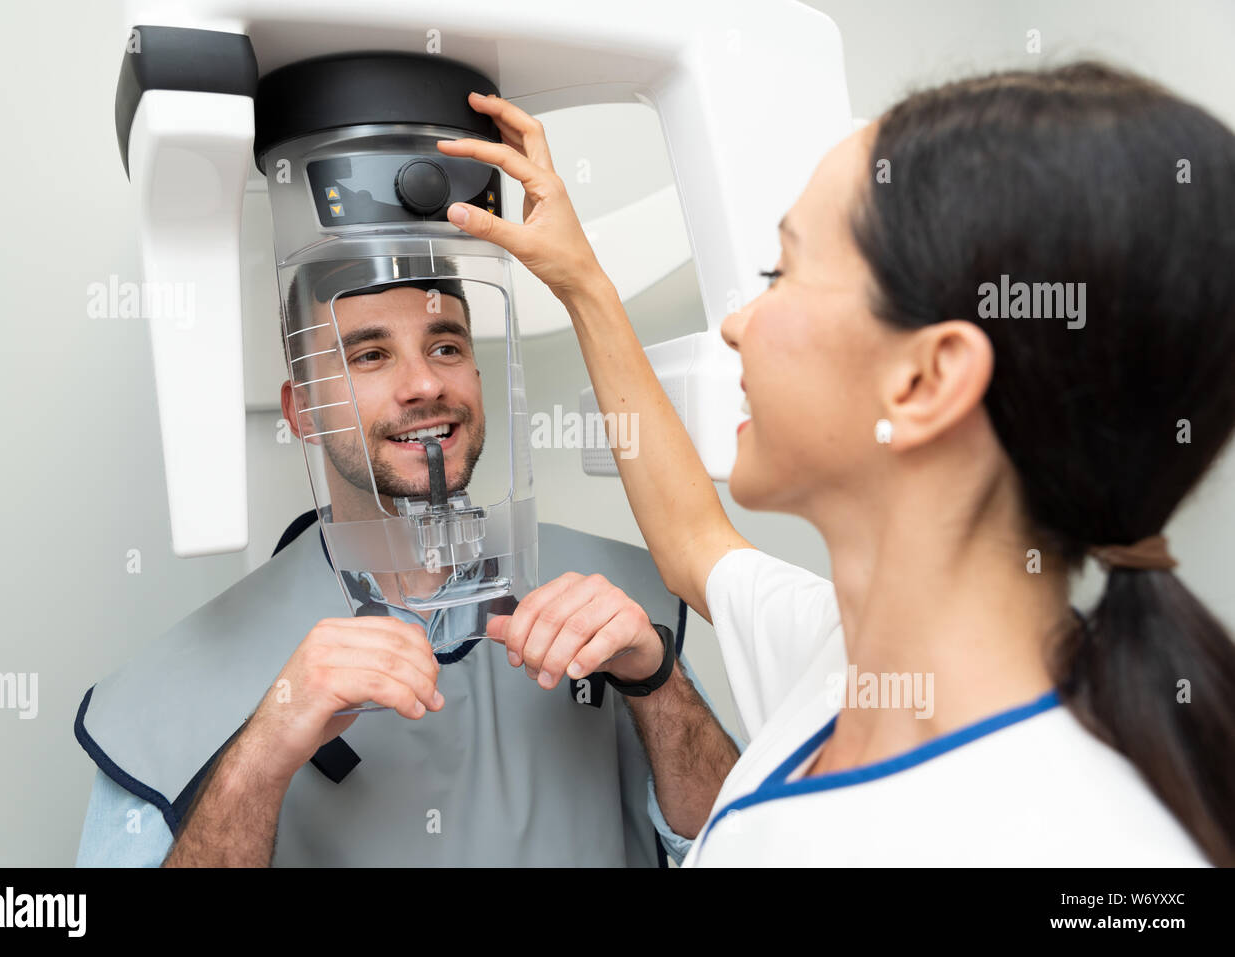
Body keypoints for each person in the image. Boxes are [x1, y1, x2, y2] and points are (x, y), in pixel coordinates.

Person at [437, 61, 1235, 865]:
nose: (737, 325)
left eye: (780, 274)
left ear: (926, 379)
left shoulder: (1069, 843)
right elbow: (691, 544)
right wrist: (581, 282)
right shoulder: (850, 661)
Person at [74, 275, 740, 867]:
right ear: (300, 410)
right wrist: (261, 754)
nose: (424, 383)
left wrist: (659, 682)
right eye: (370, 354)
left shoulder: (620, 604)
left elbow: (745, 846)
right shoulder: (179, 687)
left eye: (447, 347)